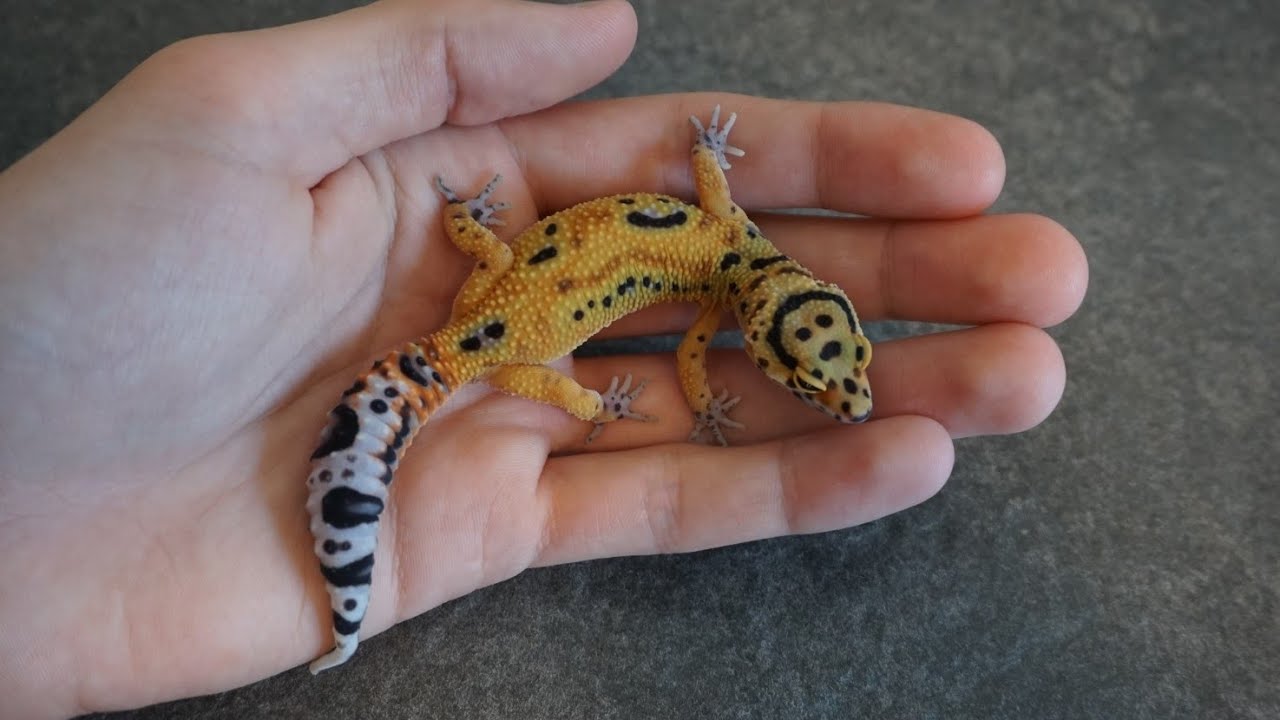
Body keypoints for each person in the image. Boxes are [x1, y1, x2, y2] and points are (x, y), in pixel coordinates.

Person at [0, 0, 1086, 716]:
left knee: (496, 286)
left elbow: (712, 196)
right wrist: (591, 403)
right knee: (533, 381)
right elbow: (695, 364)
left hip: (499, 286)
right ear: (807, 313)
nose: (830, 391)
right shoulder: (723, 285)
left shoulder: (727, 246)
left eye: (823, 376)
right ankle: (345, 580)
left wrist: (702, 156)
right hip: (499, 350)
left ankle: (356, 533)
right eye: (818, 373)